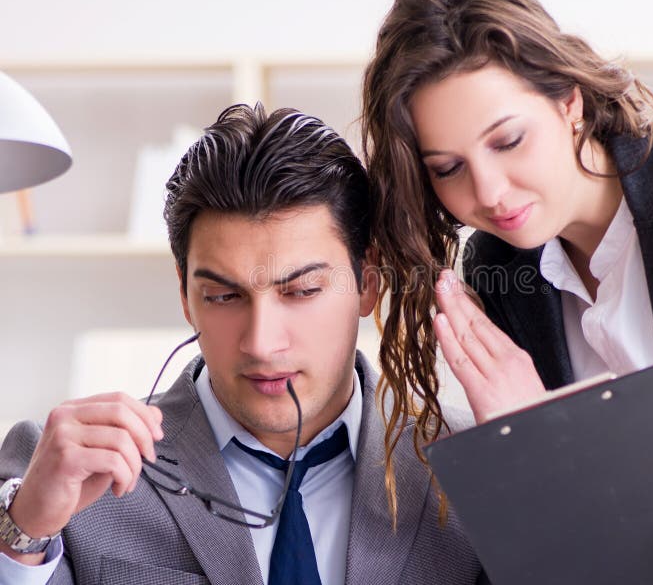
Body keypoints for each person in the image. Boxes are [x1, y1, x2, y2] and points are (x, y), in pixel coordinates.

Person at [361, 0, 653, 585]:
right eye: (447, 168)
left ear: (569, 103)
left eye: (508, 141)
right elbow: (572, 552)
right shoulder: (500, 273)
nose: (488, 192)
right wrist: (530, 440)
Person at [0, 104, 487, 585]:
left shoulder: (472, 463)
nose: (261, 343)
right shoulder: (60, 474)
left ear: (368, 283)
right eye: (223, 295)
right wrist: (21, 537)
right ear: (185, 294)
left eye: (301, 291)